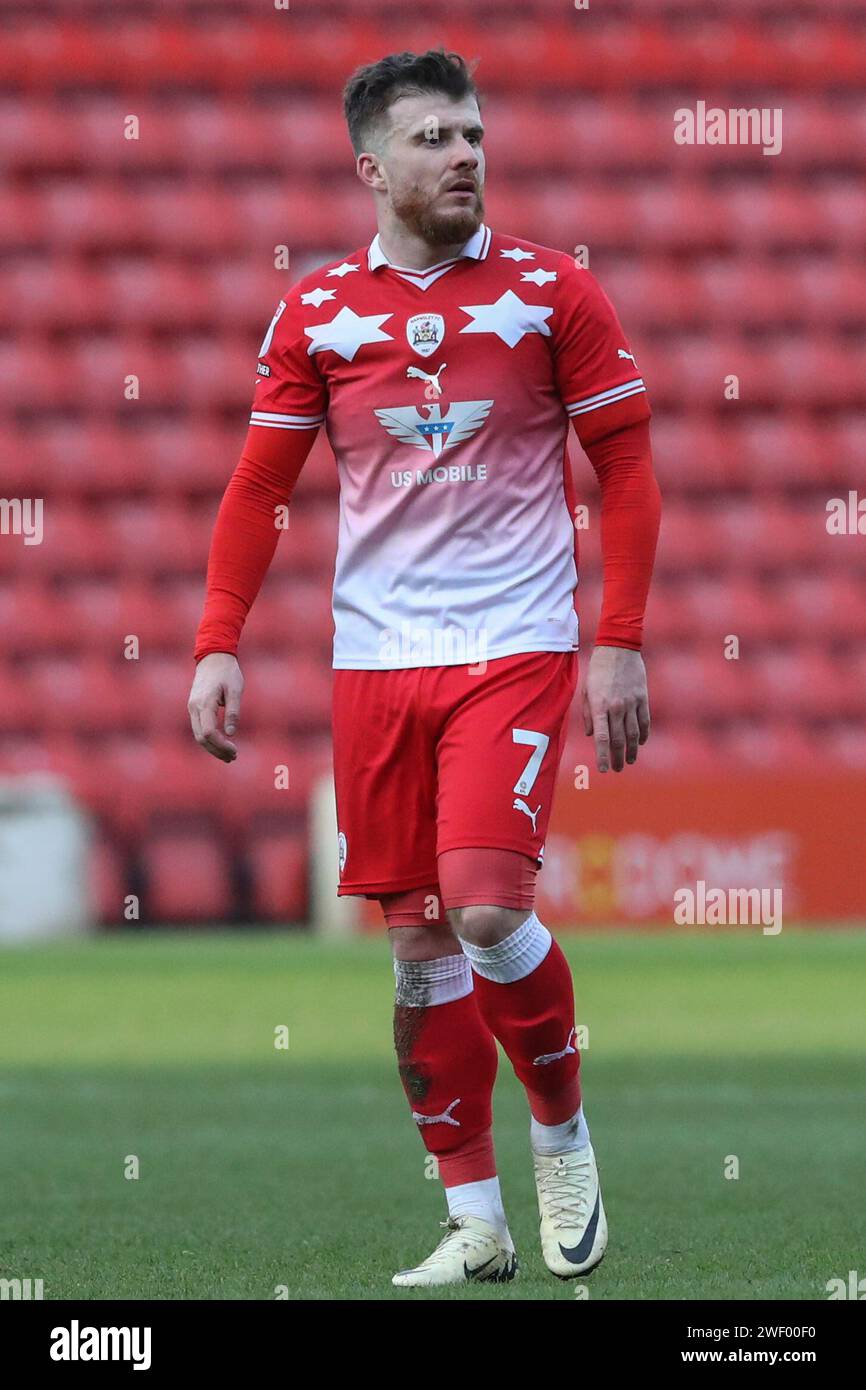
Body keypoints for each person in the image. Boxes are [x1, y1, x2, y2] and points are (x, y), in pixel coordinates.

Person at [189, 47, 661, 1288]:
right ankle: (475, 1221)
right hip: (376, 660)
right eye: (432, 138)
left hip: (513, 644)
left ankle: (560, 1138)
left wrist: (618, 640)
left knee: (488, 906)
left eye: (471, 135)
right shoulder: (318, 311)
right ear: (369, 167)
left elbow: (625, 469)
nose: (462, 156)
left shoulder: (551, 292)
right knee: (419, 953)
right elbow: (258, 485)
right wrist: (217, 639)